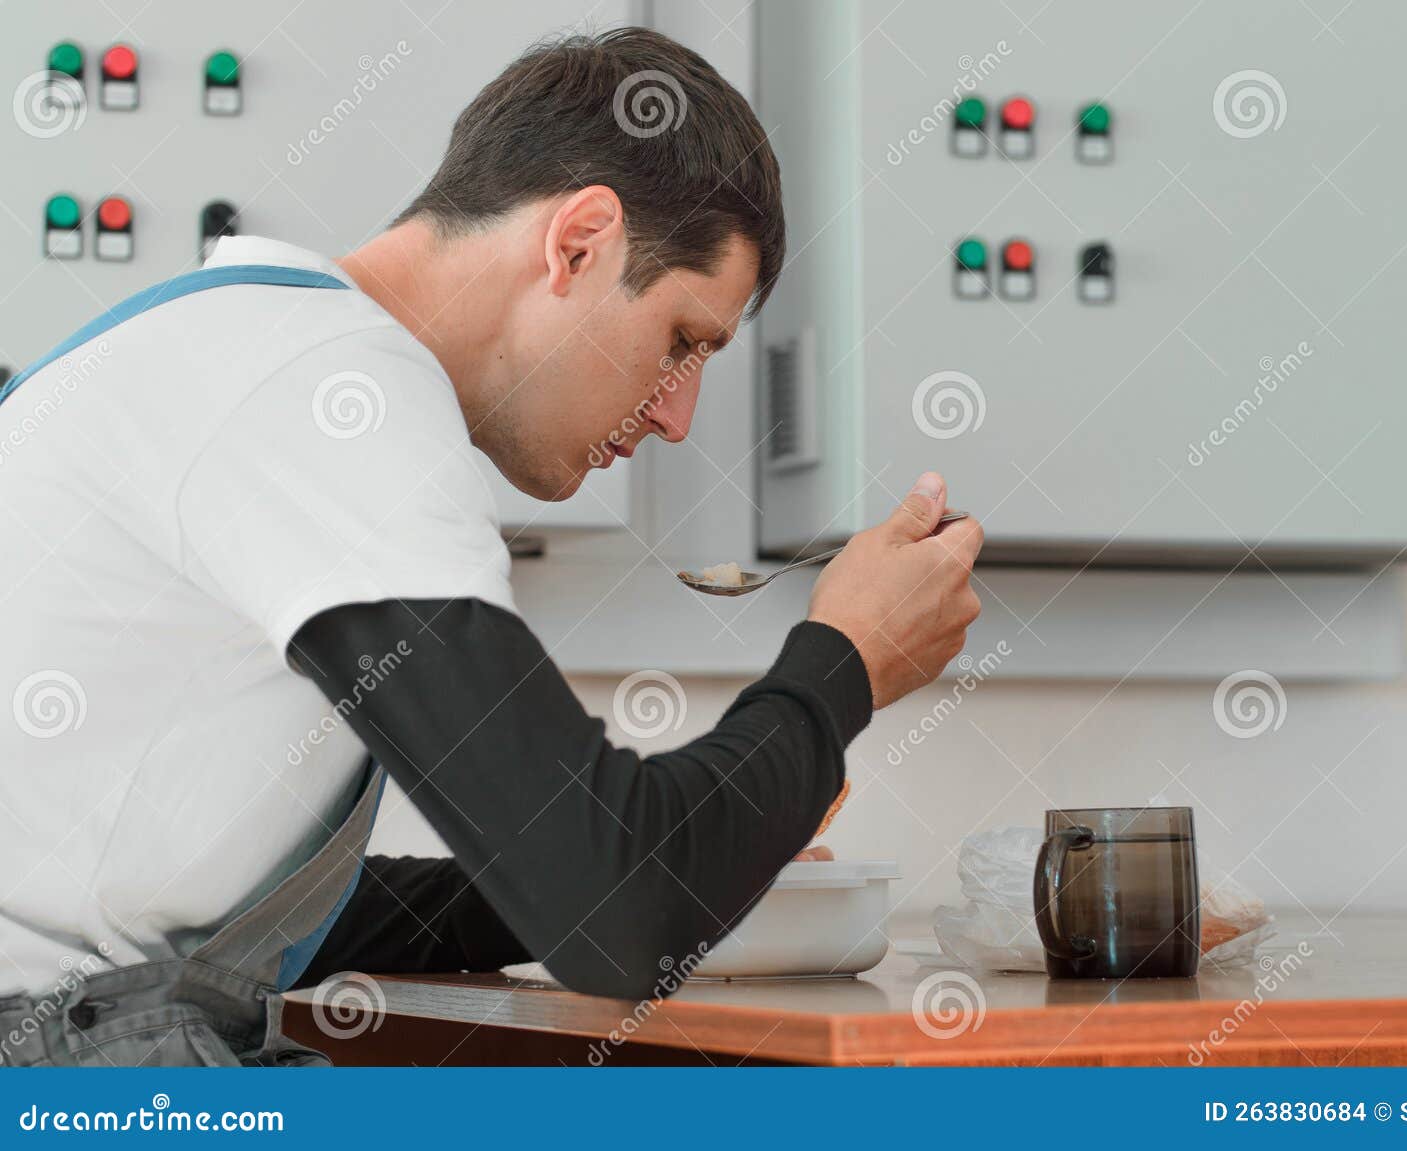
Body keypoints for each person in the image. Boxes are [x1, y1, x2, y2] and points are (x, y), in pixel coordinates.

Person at [0, 27, 981, 1063]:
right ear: (579, 242)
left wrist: (652, 867)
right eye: (682, 342)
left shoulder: (238, 346)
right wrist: (846, 661)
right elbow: (619, 912)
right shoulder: (336, 393)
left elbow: (272, 915)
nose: (678, 415)